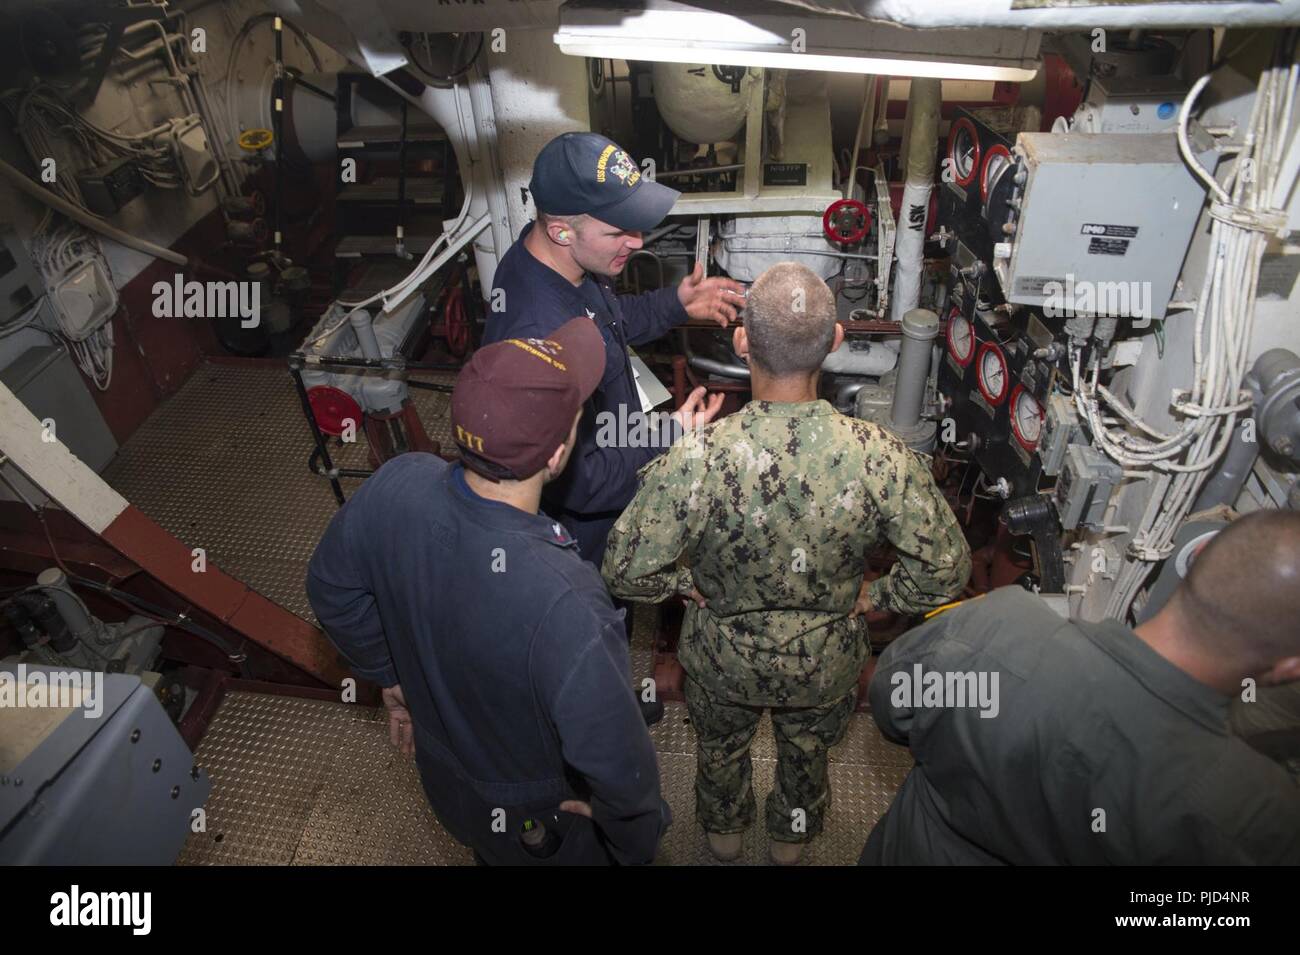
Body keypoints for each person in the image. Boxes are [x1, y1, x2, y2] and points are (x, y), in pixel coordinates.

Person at [602, 262, 971, 865]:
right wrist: (874, 599)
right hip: (823, 664)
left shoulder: (697, 456)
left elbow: (623, 569)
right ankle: (790, 841)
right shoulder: (881, 458)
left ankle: (723, 836)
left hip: (723, 660)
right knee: (807, 753)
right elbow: (945, 570)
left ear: (742, 341)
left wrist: (687, 585)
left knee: (720, 748)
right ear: (835, 343)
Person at [306, 317, 670, 865]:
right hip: (542, 821)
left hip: (451, 786)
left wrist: (391, 677)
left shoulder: (396, 484)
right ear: (555, 456)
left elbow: (329, 588)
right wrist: (632, 842)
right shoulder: (568, 603)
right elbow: (618, 767)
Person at [861, 509, 1300, 865]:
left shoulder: (992, 627)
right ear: (1291, 667)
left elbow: (890, 703)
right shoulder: (1257, 812)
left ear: (1196, 563)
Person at [484, 131, 745, 567]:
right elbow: (585, 481)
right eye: (619, 231)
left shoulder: (569, 262)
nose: (639, 241)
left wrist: (674, 304)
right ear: (561, 231)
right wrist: (669, 437)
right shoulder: (538, 335)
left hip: (623, 443)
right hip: (587, 538)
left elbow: (606, 319)